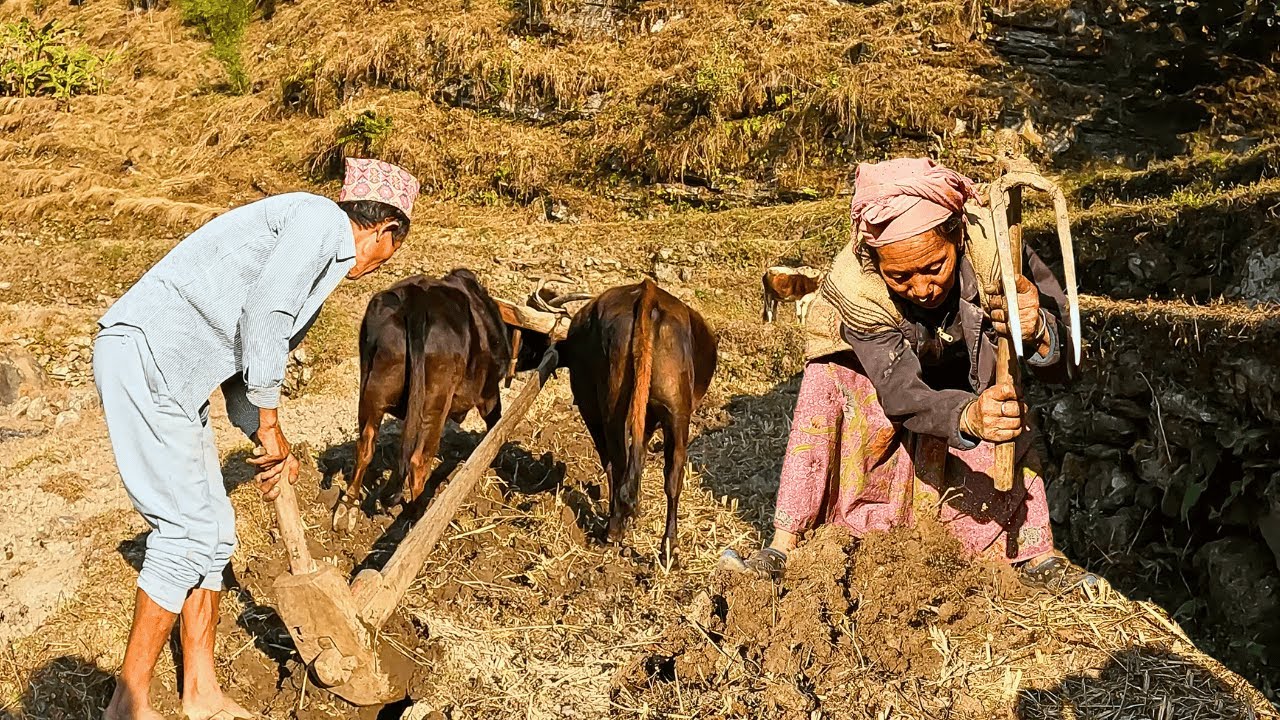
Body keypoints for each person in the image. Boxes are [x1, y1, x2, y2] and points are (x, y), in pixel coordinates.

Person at [93, 158, 420, 720]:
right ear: (386, 232)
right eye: (395, 246)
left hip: (178, 380)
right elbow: (265, 314)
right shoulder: (320, 222)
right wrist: (268, 422)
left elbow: (246, 365)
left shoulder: (313, 249)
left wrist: (268, 433)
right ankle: (127, 705)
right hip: (147, 357)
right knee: (184, 533)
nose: (386, 260)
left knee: (216, 535)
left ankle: (200, 691)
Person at [722, 157, 1094, 591]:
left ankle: (1032, 550)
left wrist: (1039, 330)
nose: (921, 288)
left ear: (956, 238)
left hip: (978, 386)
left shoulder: (998, 254)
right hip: (890, 397)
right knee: (829, 377)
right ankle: (786, 546)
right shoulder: (856, 290)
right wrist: (966, 417)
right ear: (874, 264)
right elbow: (899, 391)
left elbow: (1070, 356)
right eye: (900, 276)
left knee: (1005, 399)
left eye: (934, 267)